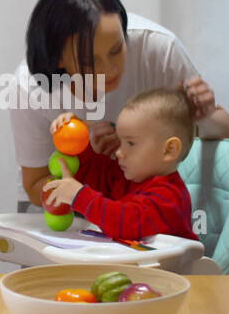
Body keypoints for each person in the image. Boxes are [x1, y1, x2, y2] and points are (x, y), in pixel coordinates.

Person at [11, 0, 229, 207]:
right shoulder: (29, 87)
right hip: (67, 211)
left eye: (117, 50)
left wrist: (202, 114)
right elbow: (35, 183)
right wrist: (83, 180)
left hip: (146, 204)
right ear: (58, 58)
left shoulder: (158, 50)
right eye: (90, 62)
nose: (110, 69)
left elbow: (224, 131)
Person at [42, 88, 197, 241]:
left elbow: (127, 223)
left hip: (167, 267)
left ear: (169, 150)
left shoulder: (169, 198)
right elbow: (94, 174)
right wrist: (76, 140)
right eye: (120, 141)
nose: (119, 152)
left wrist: (80, 196)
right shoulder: (126, 176)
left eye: (130, 143)